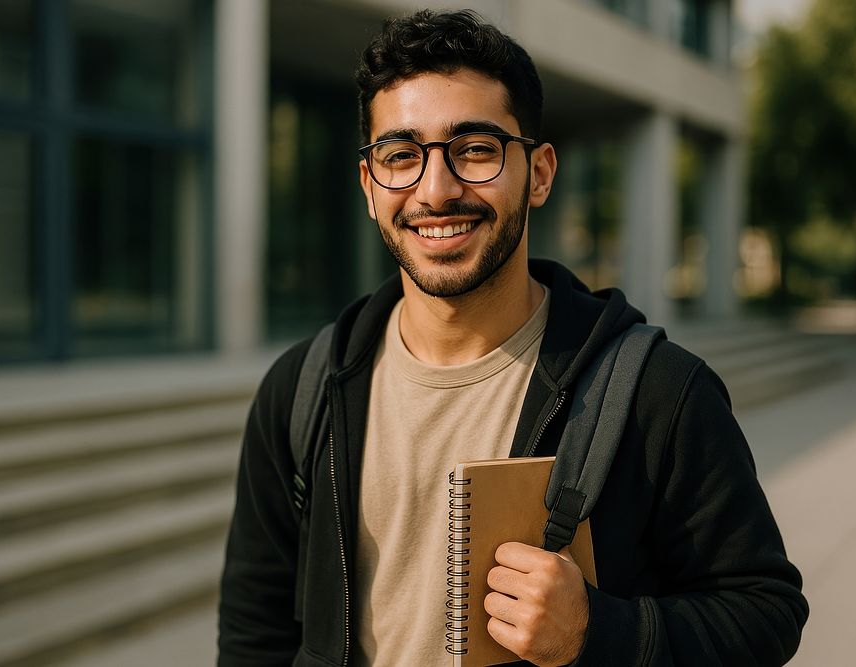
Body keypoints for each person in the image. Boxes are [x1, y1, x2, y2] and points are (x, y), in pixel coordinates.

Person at [217, 9, 807, 667]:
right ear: (368, 184)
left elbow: (764, 611)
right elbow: (254, 633)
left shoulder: (659, 392)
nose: (434, 190)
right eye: (401, 156)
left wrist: (597, 631)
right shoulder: (301, 390)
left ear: (541, 173)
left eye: (475, 149)